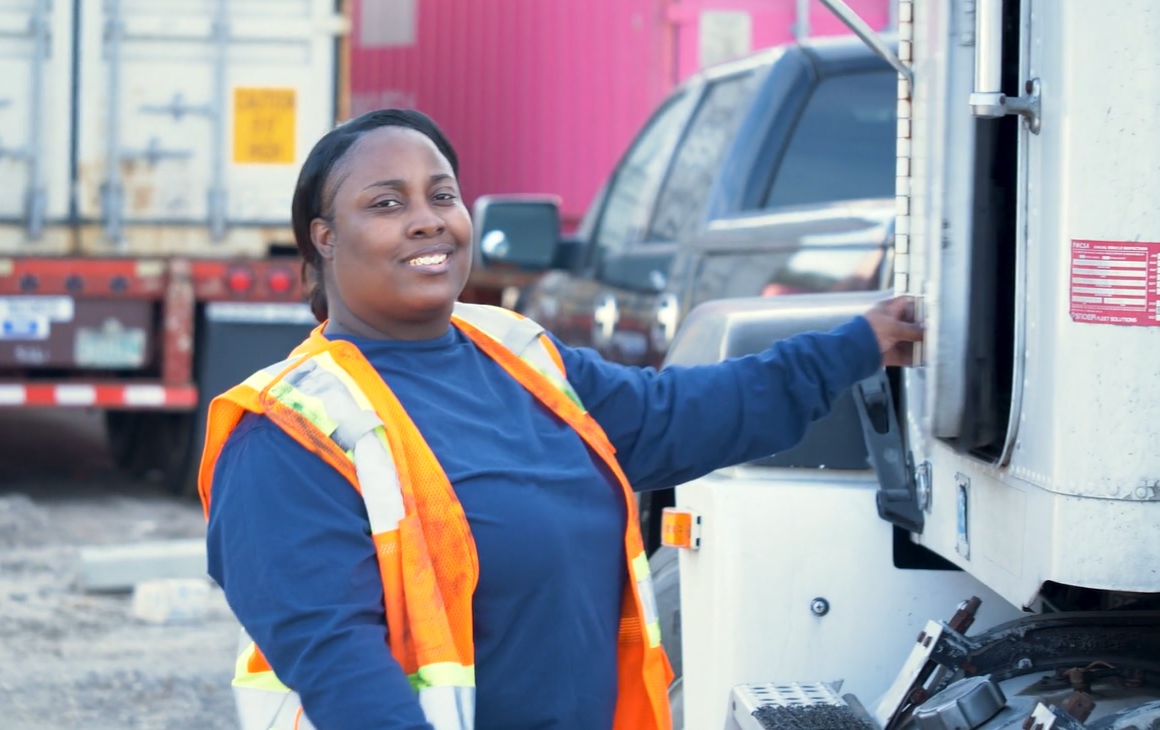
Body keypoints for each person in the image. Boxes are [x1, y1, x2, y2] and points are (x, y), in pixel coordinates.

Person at [198, 108, 923, 730]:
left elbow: (683, 415)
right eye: (386, 204)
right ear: (324, 239)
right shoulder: (286, 429)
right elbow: (338, 664)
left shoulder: (522, 358)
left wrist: (854, 346)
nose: (428, 221)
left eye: (442, 195)